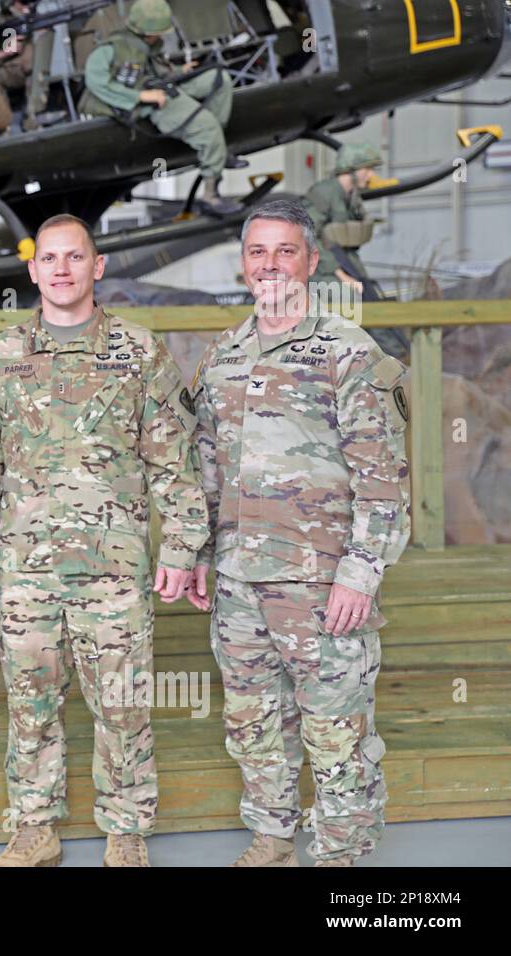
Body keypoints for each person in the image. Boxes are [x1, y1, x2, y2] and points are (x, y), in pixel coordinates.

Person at [0, 214, 207, 867]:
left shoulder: (139, 352)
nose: (62, 269)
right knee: (30, 700)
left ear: (97, 267)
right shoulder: (3, 354)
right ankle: (35, 827)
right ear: (33, 271)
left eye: (76, 257)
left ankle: (126, 830)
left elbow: (173, 462)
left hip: (114, 568)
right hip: (27, 566)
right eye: (50, 259)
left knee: (122, 703)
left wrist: (181, 548)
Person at [188, 199, 410, 866]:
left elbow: (384, 476)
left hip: (321, 581)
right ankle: (273, 837)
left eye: (286, 251)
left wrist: (361, 573)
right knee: (254, 722)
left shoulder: (349, 351)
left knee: (336, 728)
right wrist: (199, 553)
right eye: (259, 252)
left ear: (312, 262)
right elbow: (206, 466)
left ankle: (342, 855)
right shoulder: (225, 356)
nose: (271, 264)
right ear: (244, 264)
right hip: (237, 581)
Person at [79, 0, 246, 216]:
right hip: (149, 104)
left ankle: (216, 150)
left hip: (164, 86)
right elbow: (96, 81)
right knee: (208, 127)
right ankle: (211, 195)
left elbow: (153, 70)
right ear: (148, 32)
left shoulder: (147, 45)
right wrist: (140, 96)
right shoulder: (112, 49)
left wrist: (178, 70)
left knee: (219, 79)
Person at [302, 143, 408, 357]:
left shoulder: (351, 197)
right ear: (350, 169)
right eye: (367, 169)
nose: (371, 175)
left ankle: (394, 355)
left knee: (372, 299)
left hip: (348, 260)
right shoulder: (324, 193)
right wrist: (339, 274)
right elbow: (307, 235)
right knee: (351, 301)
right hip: (322, 268)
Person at [0, 0, 59, 134]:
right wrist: (4, 52)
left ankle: (34, 115)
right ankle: (20, 121)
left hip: (8, 68)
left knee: (40, 41)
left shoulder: (20, 21)